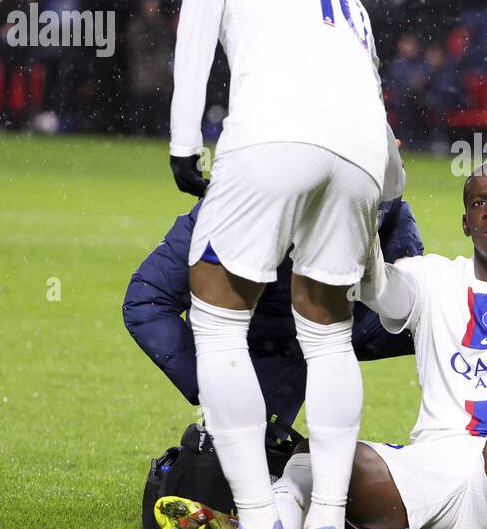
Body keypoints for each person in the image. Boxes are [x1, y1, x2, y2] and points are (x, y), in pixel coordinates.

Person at [157, 160, 487, 529]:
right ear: (466, 223)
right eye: (480, 203)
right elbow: (378, 288)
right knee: (317, 452)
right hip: (432, 470)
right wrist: (362, 200)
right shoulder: (432, 277)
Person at [168, 0, 404, 529]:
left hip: (272, 137)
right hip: (360, 158)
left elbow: (196, 33)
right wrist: (384, 189)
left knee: (216, 323)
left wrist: (186, 144)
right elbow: (375, 105)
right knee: (328, 337)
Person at [122, 194, 423, 471]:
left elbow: (397, 223)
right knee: (230, 471)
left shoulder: (365, 180)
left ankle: (448, 453)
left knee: (437, 316)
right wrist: (214, 385)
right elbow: (148, 300)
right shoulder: (227, 205)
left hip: (353, 320)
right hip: (271, 346)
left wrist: (407, 267)